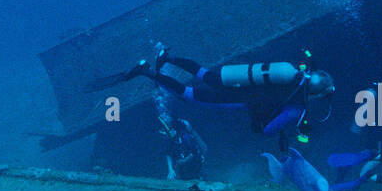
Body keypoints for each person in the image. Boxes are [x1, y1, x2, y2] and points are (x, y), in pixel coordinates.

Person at [89, 45, 335, 151]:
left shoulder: (295, 74)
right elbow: (269, 130)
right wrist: (284, 132)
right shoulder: (298, 108)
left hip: (237, 79)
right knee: (189, 95)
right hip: (240, 99)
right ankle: (146, 71)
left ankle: (166, 57)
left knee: (204, 73)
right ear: (317, 95)